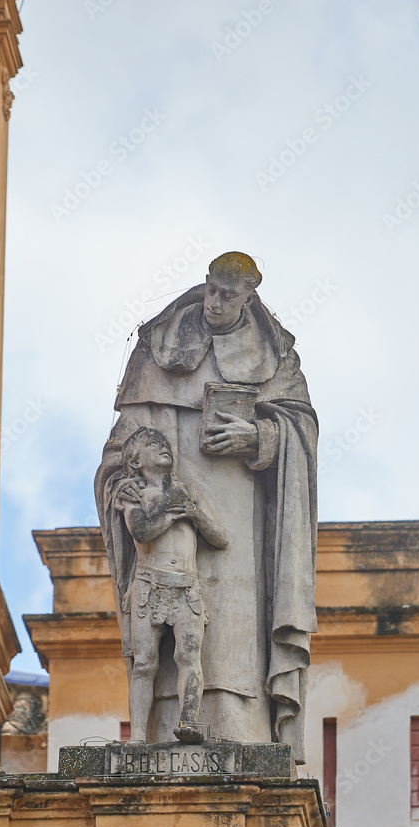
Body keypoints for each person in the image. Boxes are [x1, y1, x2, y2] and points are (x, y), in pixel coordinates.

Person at [95, 251, 318, 763]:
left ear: (249, 297)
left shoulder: (275, 356)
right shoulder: (157, 349)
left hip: (241, 531)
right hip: (162, 541)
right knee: (161, 654)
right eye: (211, 289)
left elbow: (302, 433)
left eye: (228, 295)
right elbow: (117, 450)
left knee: (233, 639)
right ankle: (164, 732)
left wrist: (260, 435)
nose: (215, 302)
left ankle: (241, 728)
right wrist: (127, 489)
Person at [115, 426, 228, 743]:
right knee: (145, 664)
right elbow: (141, 531)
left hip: (186, 588)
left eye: (165, 442)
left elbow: (220, 538)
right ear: (136, 461)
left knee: (190, 656)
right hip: (148, 587)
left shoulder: (188, 492)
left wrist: (194, 513)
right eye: (153, 443)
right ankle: (137, 735)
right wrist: (173, 515)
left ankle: (189, 723)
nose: (163, 446)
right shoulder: (133, 493)